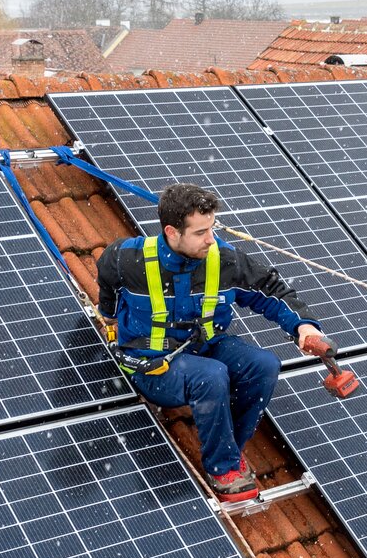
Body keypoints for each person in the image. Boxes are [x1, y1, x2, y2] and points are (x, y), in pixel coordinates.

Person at [97, 182, 335, 503]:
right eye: (200, 232)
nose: (211, 239)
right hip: (154, 365)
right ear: (172, 231)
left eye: (212, 228)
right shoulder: (128, 259)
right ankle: (221, 467)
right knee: (211, 376)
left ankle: (229, 445)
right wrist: (109, 316)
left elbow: (271, 290)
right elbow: (107, 279)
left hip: (206, 346)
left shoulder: (223, 260)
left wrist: (304, 327)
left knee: (264, 365)